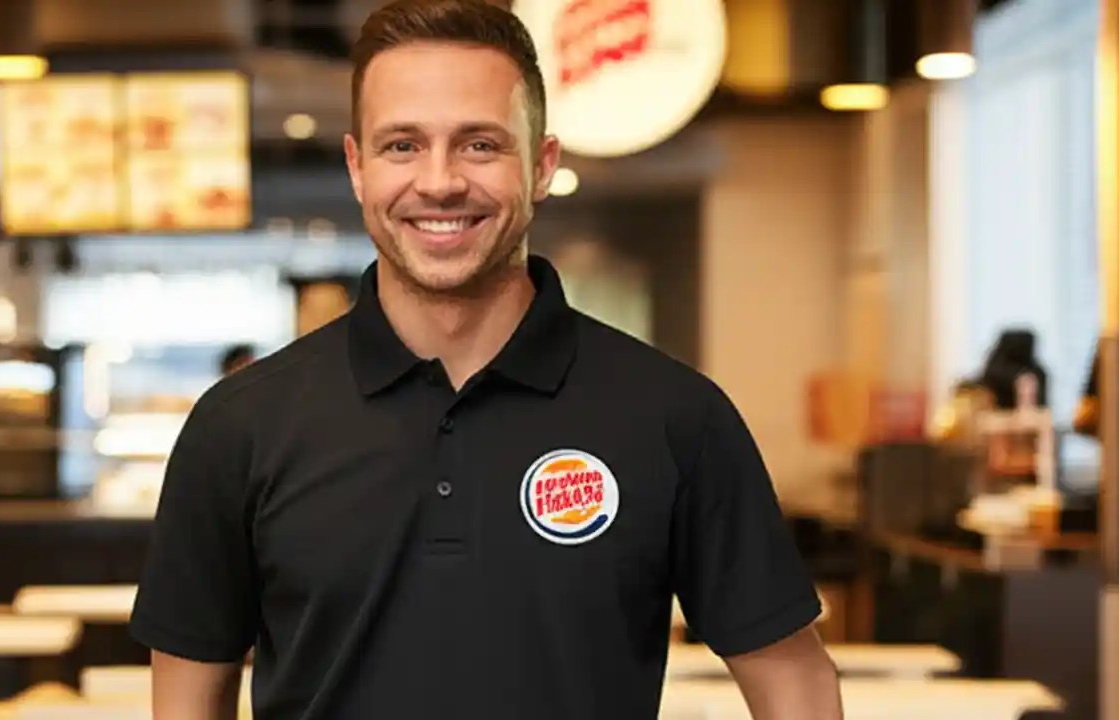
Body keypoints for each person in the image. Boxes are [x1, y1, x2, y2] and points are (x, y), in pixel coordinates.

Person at [129, 1, 842, 718]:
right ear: (357, 167)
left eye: (479, 145)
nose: (439, 182)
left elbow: (793, 681)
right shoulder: (239, 427)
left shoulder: (675, 417)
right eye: (402, 145)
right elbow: (189, 696)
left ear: (541, 165)